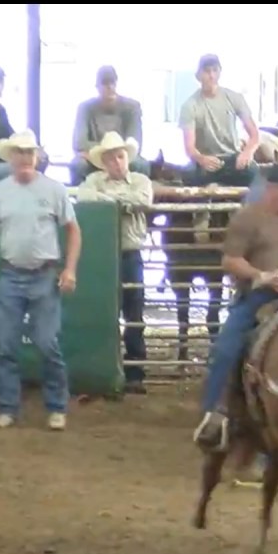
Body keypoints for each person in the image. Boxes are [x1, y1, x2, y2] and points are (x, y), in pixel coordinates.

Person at [192, 165, 278, 450]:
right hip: (257, 298)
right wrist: (262, 275)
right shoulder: (248, 217)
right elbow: (230, 260)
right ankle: (214, 414)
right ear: (272, 188)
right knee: (226, 349)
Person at [0, 130, 82, 430]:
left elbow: (73, 230)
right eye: (20, 152)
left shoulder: (54, 190)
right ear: (11, 157)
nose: (25, 157)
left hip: (44, 275)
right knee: (5, 346)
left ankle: (56, 407)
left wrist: (70, 269)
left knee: (47, 344)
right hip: (11, 276)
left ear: (36, 156)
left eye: (29, 152)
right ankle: (7, 409)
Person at [76, 132, 155, 394]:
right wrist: (120, 202)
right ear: (105, 162)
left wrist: (107, 201)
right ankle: (105, 369)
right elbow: (84, 197)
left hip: (129, 252)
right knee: (104, 311)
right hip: (104, 254)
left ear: (126, 158)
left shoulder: (141, 180)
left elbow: (143, 200)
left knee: (133, 313)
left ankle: (134, 372)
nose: (117, 162)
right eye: (111, 159)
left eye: (120, 157)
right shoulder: (93, 181)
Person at [178, 54, 261, 188]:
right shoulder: (190, 106)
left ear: (219, 72)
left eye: (215, 70)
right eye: (207, 71)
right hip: (207, 161)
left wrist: (247, 153)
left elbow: (254, 135)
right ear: (198, 76)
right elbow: (190, 148)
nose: (211, 75)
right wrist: (202, 159)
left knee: (254, 173)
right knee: (189, 173)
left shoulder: (234, 98)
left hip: (233, 158)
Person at [70, 65, 149, 185]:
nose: (110, 87)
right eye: (105, 83)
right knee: (78, 165)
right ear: (97, 87)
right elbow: (79, 143)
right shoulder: (85, 108)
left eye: (113, 82)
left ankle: (135, 195)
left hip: (122, 156)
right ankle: (83, 196)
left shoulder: (132, 107)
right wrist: (101, 155)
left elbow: (135, 142)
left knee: (141, 164)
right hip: (94, 158)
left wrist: (114, 155)